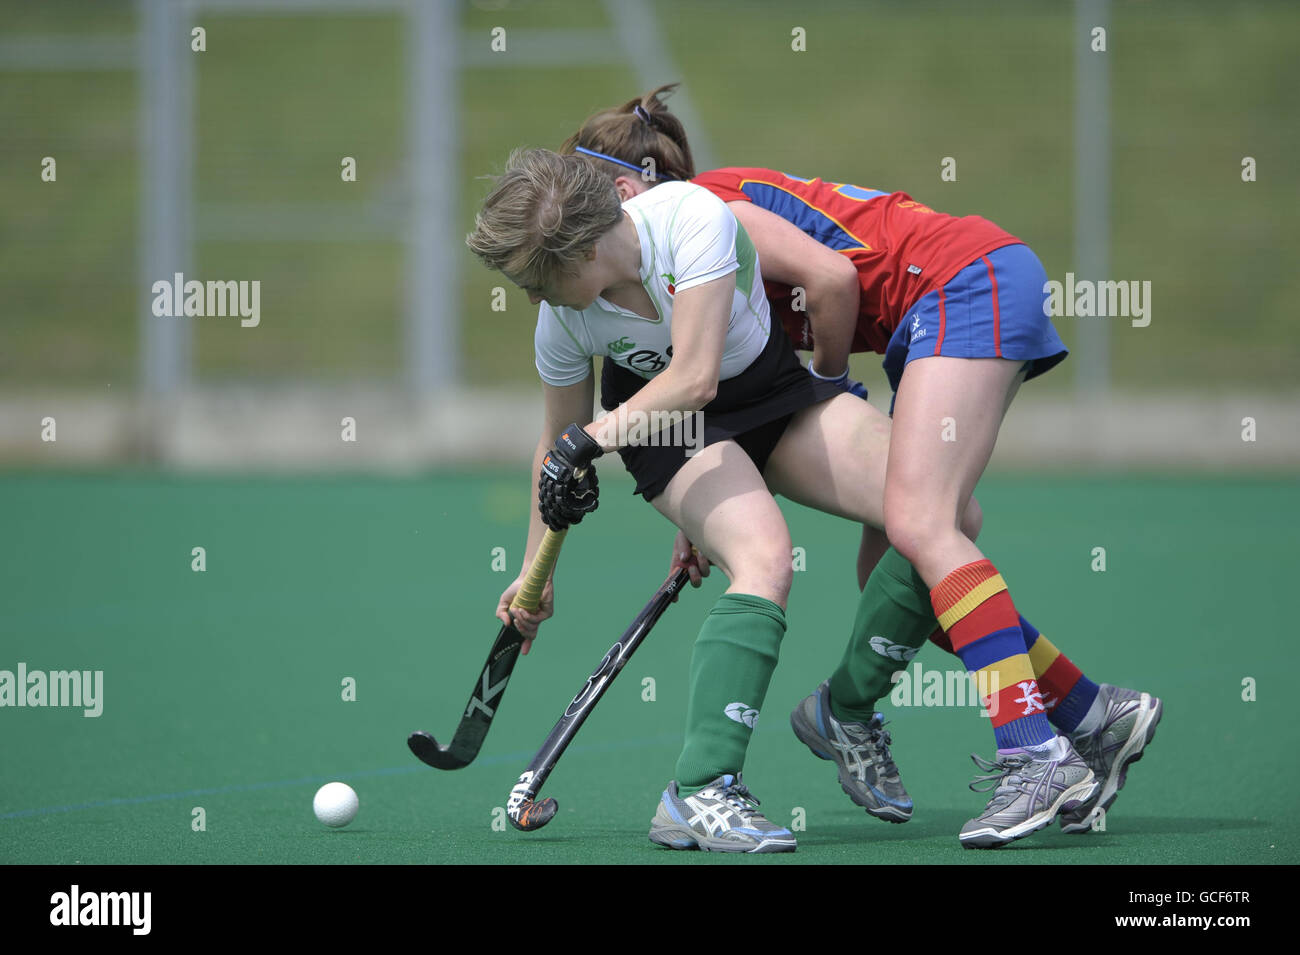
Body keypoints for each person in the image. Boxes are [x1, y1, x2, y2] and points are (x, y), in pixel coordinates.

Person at [558, 84, 1162, 847]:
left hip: (956, 283)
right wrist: (699, 504)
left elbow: (834, 281)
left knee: (924, 523)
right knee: (900, 569)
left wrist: (830, 384)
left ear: (625, 188)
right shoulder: (674, 260)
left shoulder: (704, 214)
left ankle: (1033, 750)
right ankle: (1085, 713)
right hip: (952, 291)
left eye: (585, 208)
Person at [466, 146, 984, 853]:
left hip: (761, 393)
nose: (530, 297)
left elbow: (696, 375)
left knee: (944, 510)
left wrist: (588, 442)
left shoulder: (688, 219)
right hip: (667, 430)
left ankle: (848, 708)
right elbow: (555, 441)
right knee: (766, 556)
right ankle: (700, 791)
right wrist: (535, 577)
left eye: (535, 278)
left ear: (584, 249)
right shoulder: (563, 319)